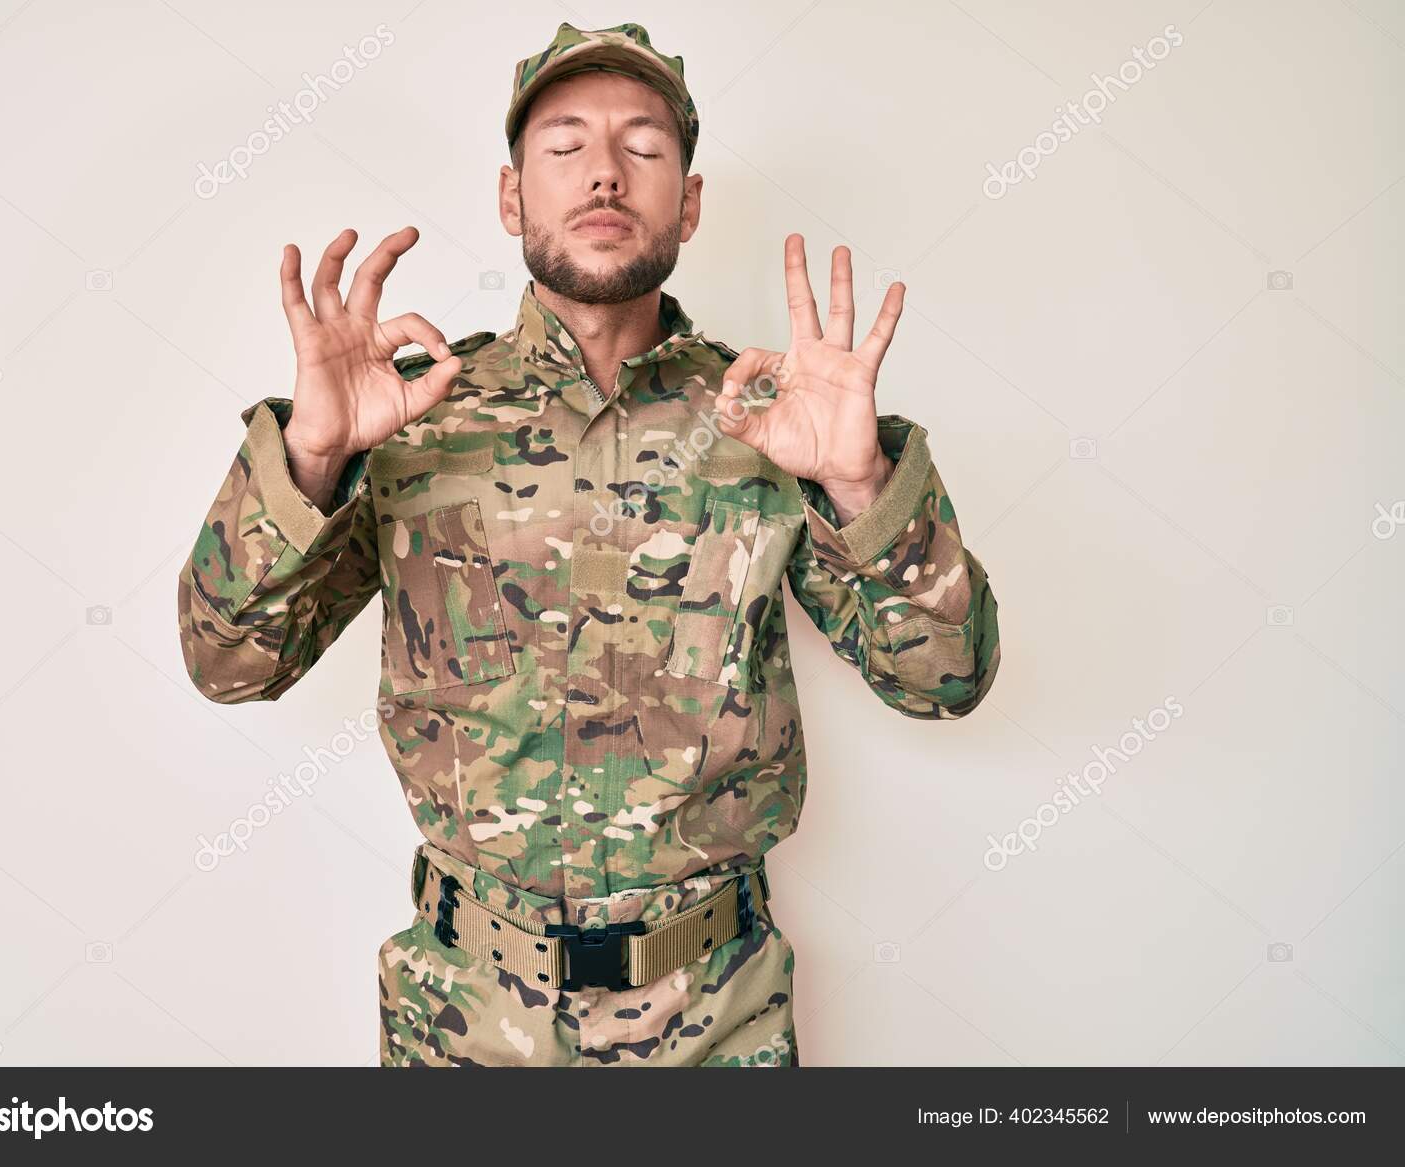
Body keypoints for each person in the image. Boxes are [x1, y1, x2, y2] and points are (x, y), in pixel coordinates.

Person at [177, 21, 1000, 1066]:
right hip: (463, 1025)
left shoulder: (771, 421)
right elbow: (228, 665)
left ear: (689, 203)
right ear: (511, 196)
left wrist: (857, 482)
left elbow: (946, 680)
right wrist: (308, 458)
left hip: (718, 1023)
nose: (604, 173)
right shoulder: (413, 416)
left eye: (644, 147)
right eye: (564, 147)